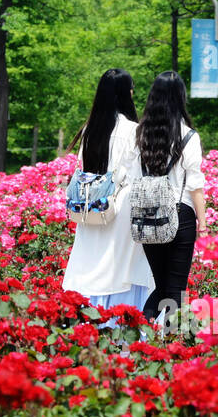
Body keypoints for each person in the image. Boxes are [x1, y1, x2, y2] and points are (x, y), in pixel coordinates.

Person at [62, 68, 154, 313]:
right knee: (119, 267)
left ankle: (86, 314)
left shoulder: (90, 129)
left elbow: (83, 169)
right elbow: (138, 174)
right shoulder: (134, 130)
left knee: (89, 260)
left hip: (90, 206)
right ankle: (118, 319)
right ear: (126, 94)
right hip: (120, 206)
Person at [131, 71, 206, 326]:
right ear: (180, 98)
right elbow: (195, 185)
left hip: (148, 214)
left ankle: (138, 332)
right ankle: (174, 348)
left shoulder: (141, 135)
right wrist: (203, 223)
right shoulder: (188, 136)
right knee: (175, 288)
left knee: (162, 284)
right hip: (180, 214)